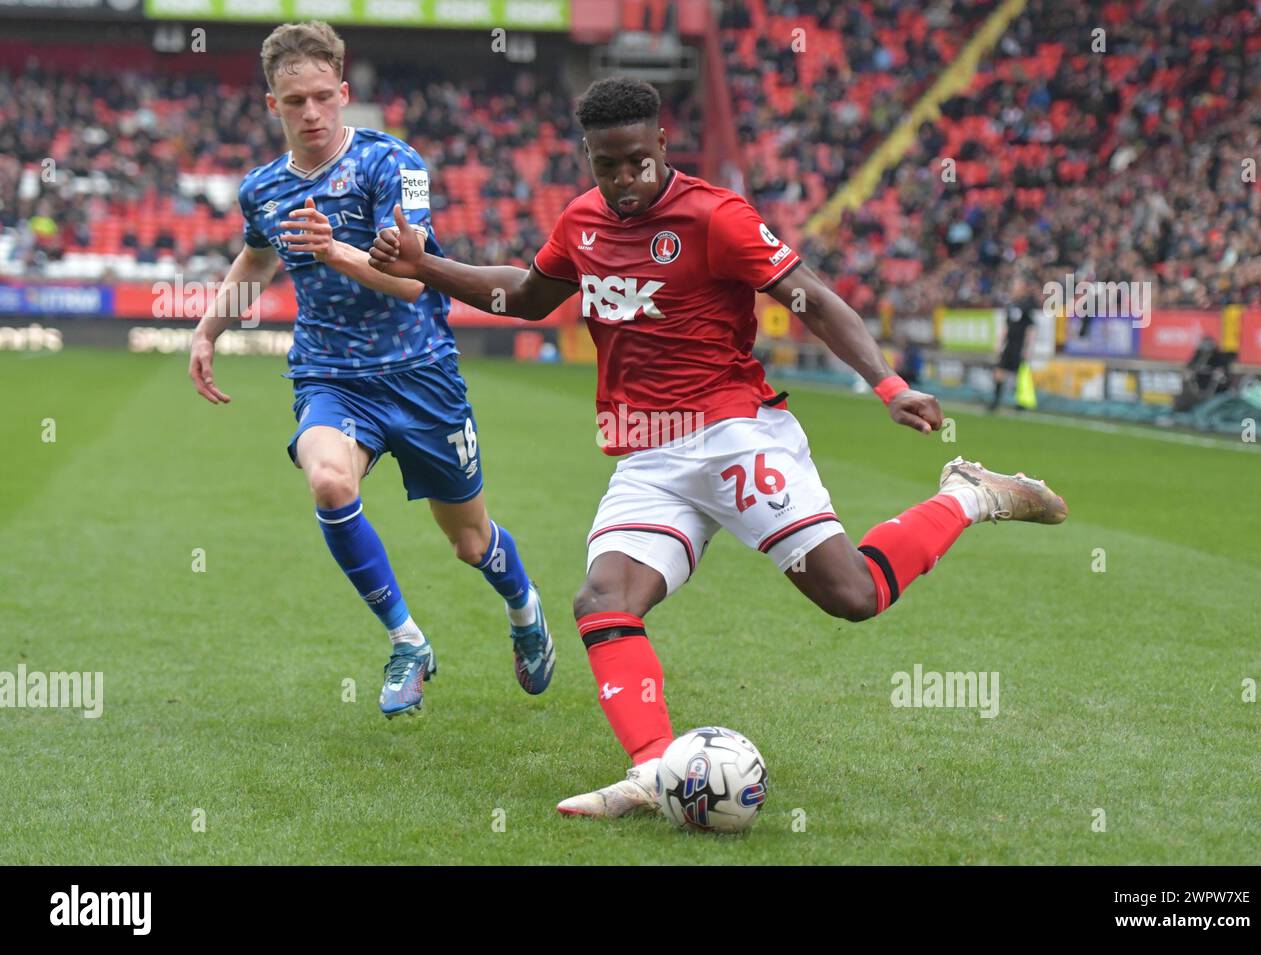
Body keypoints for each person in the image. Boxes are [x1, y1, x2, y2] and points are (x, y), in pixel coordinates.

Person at [368, 76, 1068, 815]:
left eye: (638, 160)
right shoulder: (580, 221)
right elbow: (529, 296)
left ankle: (970, 494)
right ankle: (653, 770)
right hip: (648, 452)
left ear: (663, 143)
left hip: (734, 433)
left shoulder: (715, 216)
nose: (626, 179)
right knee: (603, 600)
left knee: (853, 595)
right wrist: (425, 267)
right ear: (587, 158)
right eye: (608, 165)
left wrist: (887, 383)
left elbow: (814, 298)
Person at [186, 20, 554, 719]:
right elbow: (259, 257)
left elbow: (415, 280)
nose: (313, 114)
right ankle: (407, 640)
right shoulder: (262, 188)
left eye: (324, 97)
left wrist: (336, 252)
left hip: (421, 374)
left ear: (345, 92)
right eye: (295, 102)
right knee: (327, 480)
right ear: (273, 105)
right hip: (330, 373)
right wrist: (208, 329)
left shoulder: (394, 164)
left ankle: (525, 608)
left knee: (470, 541)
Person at [989, 277, 1037, 412]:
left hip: (1019, 345)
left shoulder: (1027, 306)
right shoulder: (1011, 305)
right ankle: (995, 401)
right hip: (1009, 345)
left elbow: (1031, 328)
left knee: (1019, 375)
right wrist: (999, 343)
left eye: (1017, 287)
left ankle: (1021, 403)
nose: (1014, 289)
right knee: (999, 371)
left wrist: (1028, 347)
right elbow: (1006, 326)